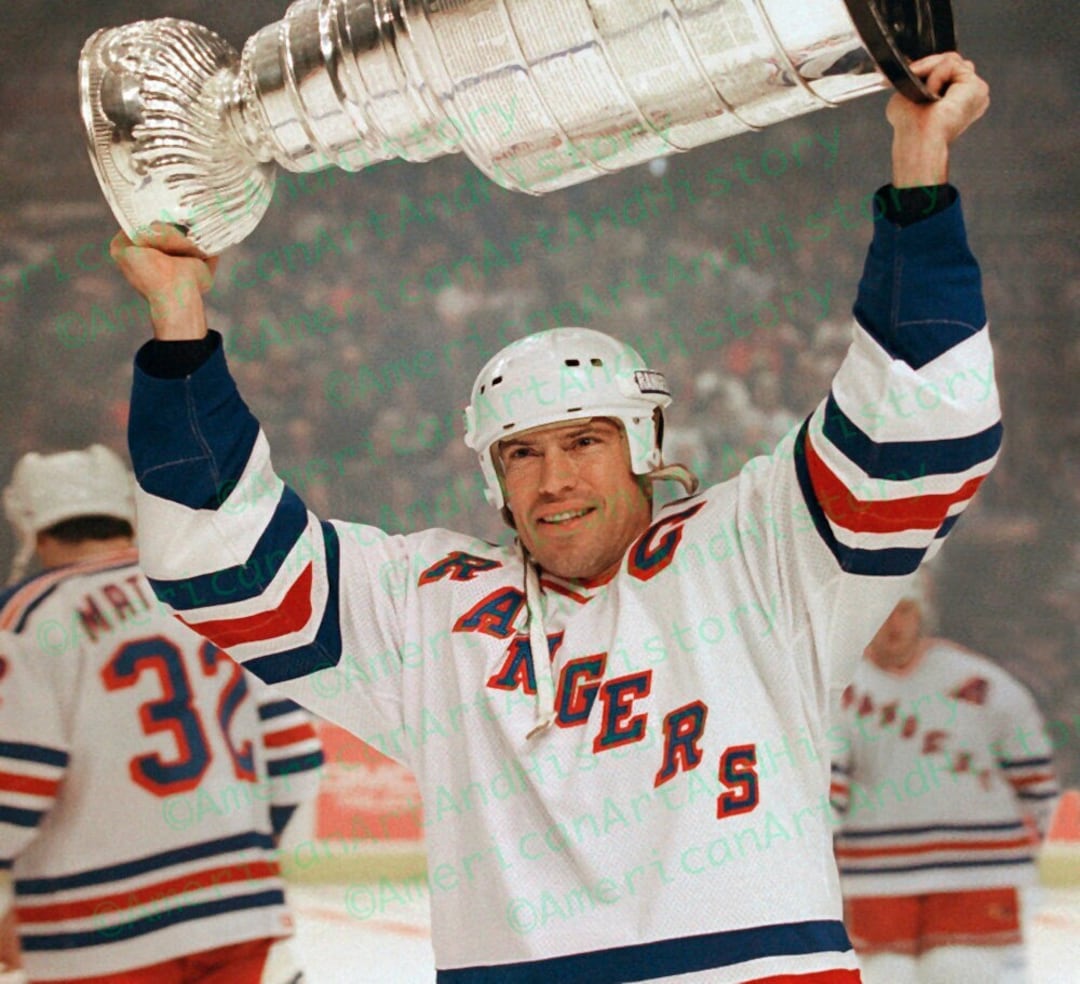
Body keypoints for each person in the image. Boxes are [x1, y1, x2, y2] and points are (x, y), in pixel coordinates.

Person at [111, 52, 998, 983]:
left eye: (583, 442)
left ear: (645, 445)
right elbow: (228, 566)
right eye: (522, 453)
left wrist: (918, 178)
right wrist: (180, 325)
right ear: (492, 477)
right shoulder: (432, 609)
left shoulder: (760, 552)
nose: (554, 479)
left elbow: (916, 422)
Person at [0, 446, 324, 984]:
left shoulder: (27, 618)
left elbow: (17, 784)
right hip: (240, 917)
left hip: (98, 934)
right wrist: (246, 869)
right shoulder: (213, 592)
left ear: (31, 526)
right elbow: (295, 753)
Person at [830, 583, 1059, 984]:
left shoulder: (982, 683)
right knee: (884, 977)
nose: (893, 624)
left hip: (981, 870)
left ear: (922, 614)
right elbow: (824, 796)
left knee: (960, 973)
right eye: (882, 612)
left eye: (903, 610)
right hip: (875, 873)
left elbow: (1035, 776)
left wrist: (1043, 847)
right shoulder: (839, 692)